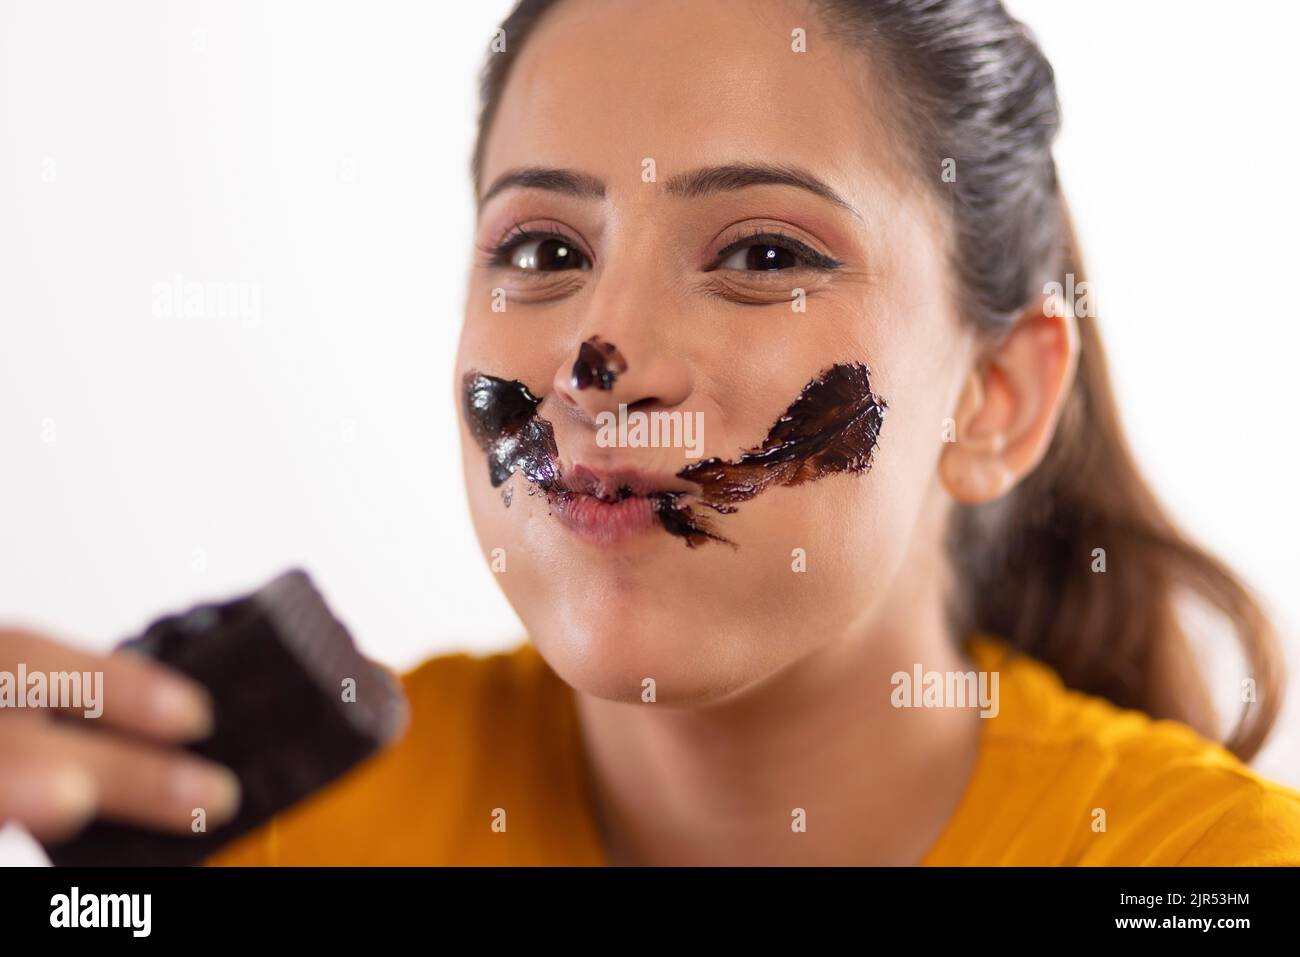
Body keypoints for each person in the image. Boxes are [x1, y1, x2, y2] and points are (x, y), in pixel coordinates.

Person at [4, 0, 1298, 866]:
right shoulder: (284, 831)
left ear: (996, 396)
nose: (595, 359)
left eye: (764, 252)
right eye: (546, 249)